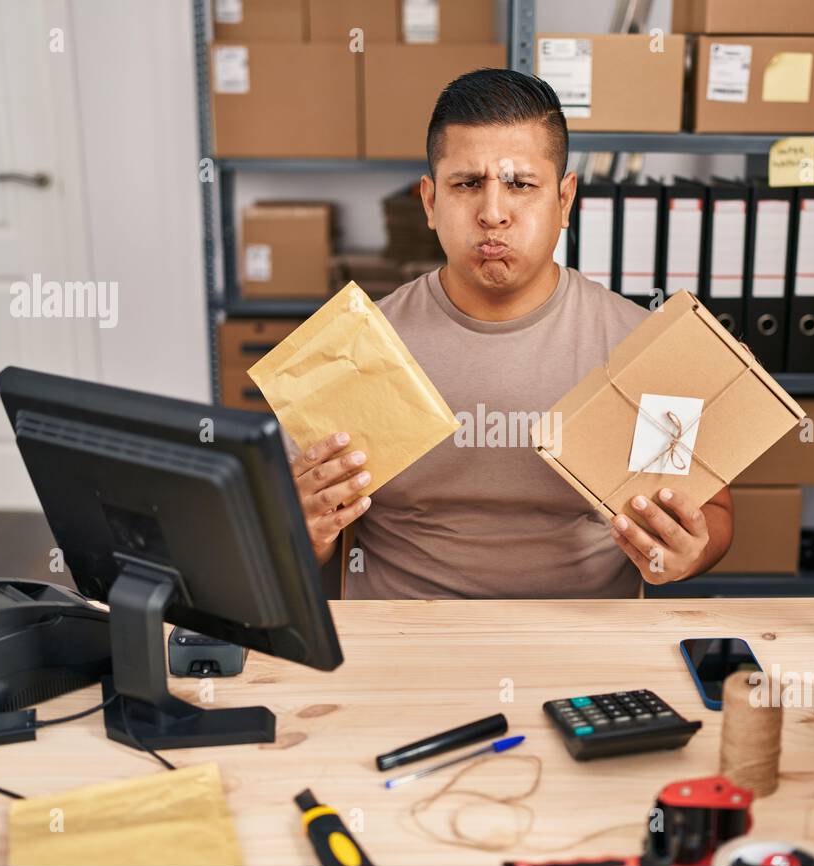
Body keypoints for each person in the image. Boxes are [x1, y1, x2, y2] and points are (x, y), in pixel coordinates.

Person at [288, 69, 734, 598]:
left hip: (582, 653)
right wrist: (307, 533)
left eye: (520, 184)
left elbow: (713, 513)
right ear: (430, 202)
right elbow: (302, 534)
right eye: (468, 184)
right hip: (405, 648)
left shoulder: (641, 346)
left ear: (565, 200)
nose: (493, 213)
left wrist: (689, 552)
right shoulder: (353, 349)